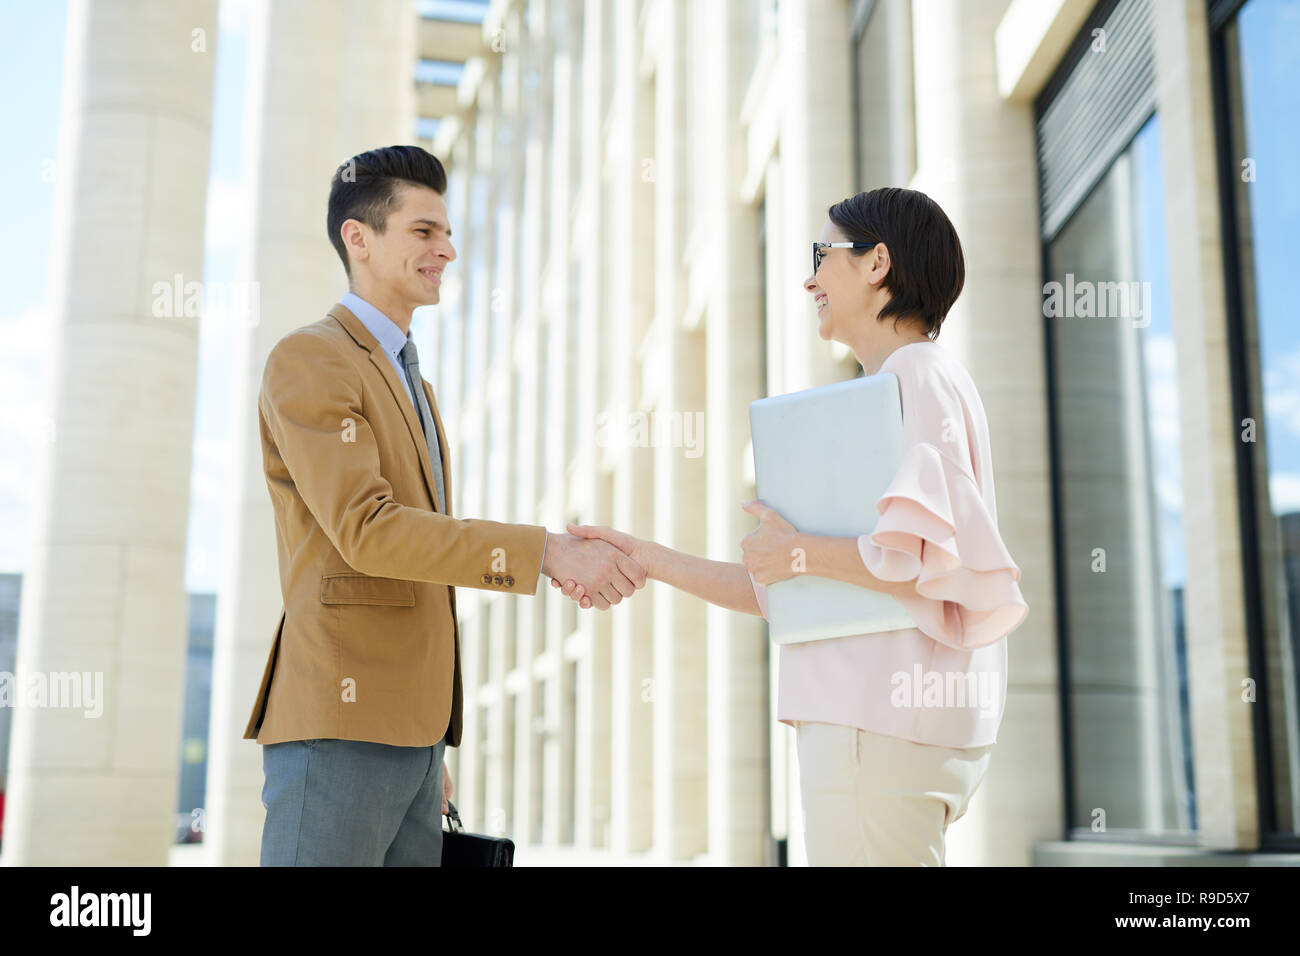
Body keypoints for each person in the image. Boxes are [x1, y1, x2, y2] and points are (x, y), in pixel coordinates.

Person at [553, 187, 1029, 865]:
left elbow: (928, 555)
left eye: (822, 255)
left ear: (877, 264)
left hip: (877, 724)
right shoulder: (910, 386)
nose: (809, 278)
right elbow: (804, 588)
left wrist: (799, 552)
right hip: (891, 724)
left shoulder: (915, 376)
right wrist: (650, 558)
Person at [247, 145, 644, 866]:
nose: (448, 250)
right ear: (358, 239)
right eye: (425, 231)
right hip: (339, 729)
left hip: (411, 739)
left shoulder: (411, 380)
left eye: (447, 232)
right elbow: (368, 532)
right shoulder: (310, 359)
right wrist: (547, 551)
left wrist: (425, 744)